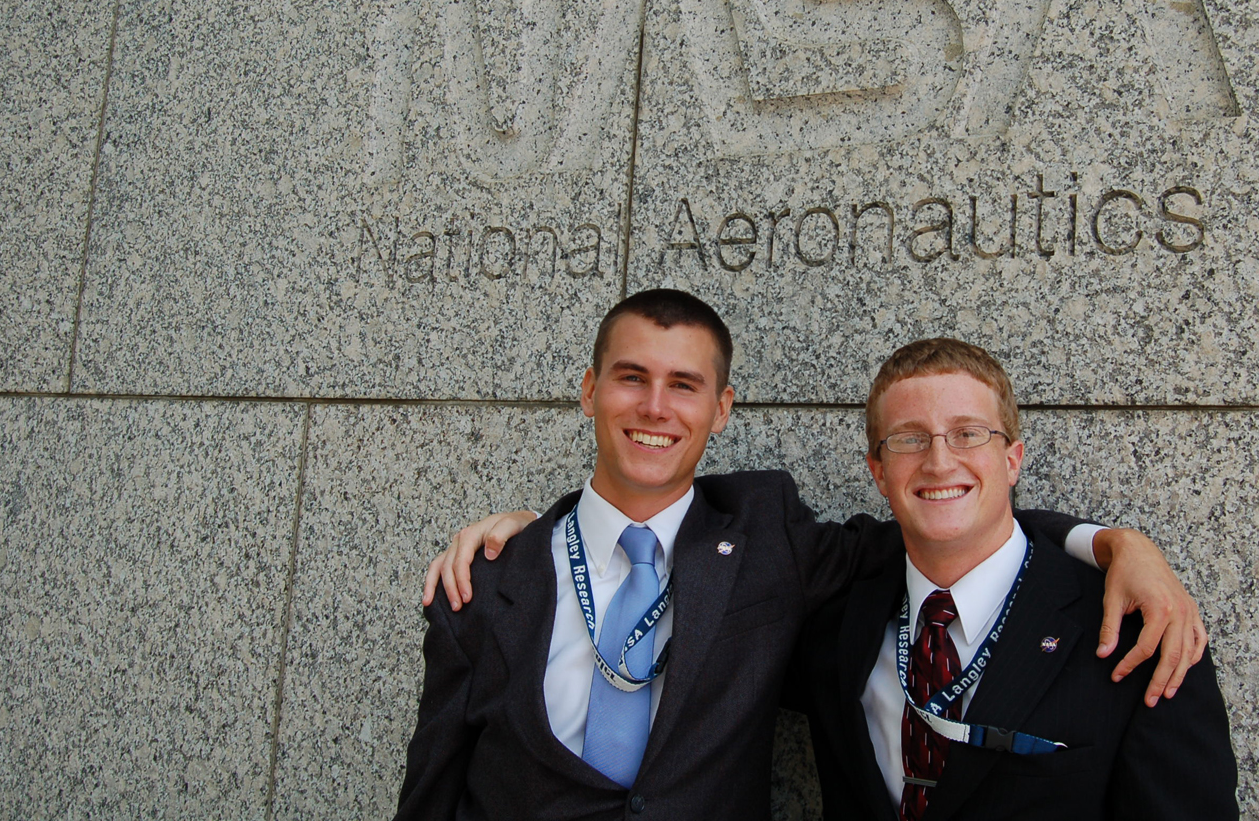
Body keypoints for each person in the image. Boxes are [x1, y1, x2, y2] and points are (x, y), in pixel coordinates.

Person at [395, 290, 1207, 820]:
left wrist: (1109, 542)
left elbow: (947, 519)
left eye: (683, 385)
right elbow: (432, 783)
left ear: (722, 410)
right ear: (588, 391)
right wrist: (534, 523)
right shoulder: (489, 578)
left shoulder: (767, 538)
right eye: (629, 378)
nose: (653, 406)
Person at [785, 338, 1237, 820]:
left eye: (968, 434)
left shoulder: (1139, 632)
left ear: (1012, 459)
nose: (939, 461)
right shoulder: (834, 626)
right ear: (879, 471)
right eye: (910, 438)